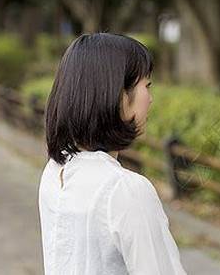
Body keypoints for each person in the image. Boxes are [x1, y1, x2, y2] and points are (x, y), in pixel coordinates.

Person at [38, 33, 187, 275]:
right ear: (118, 95)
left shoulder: (55, 170)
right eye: (146, 86)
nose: (150, 99)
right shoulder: (126, 190)